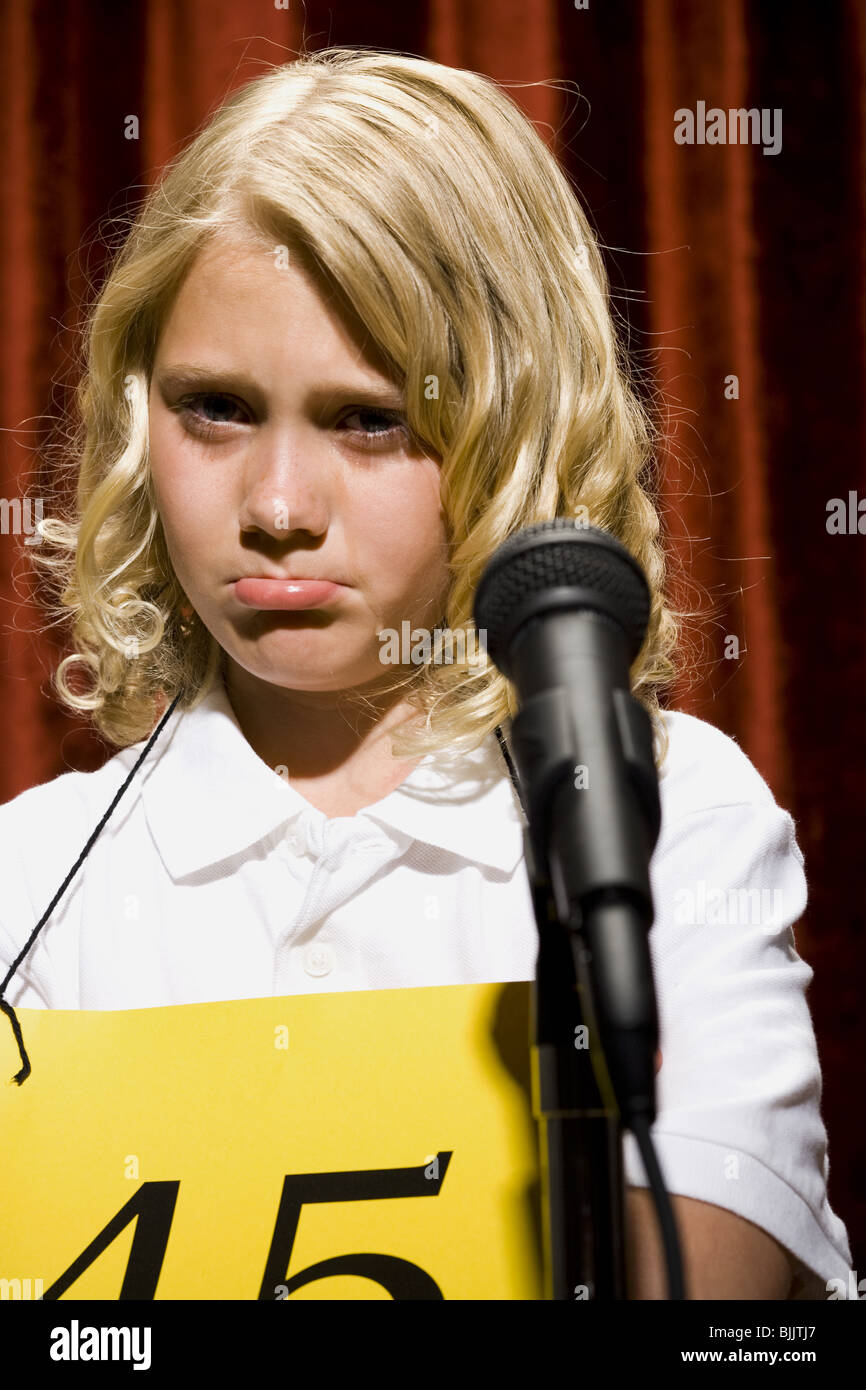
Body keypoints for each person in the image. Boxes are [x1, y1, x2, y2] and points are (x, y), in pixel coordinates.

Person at [0, 46, 852, 1300]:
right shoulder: (29, 881)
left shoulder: (663, 820)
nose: (278, 506)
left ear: (514, 423)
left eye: (369, 419)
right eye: (216, 409)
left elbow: (702, 1311)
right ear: (139, 416)